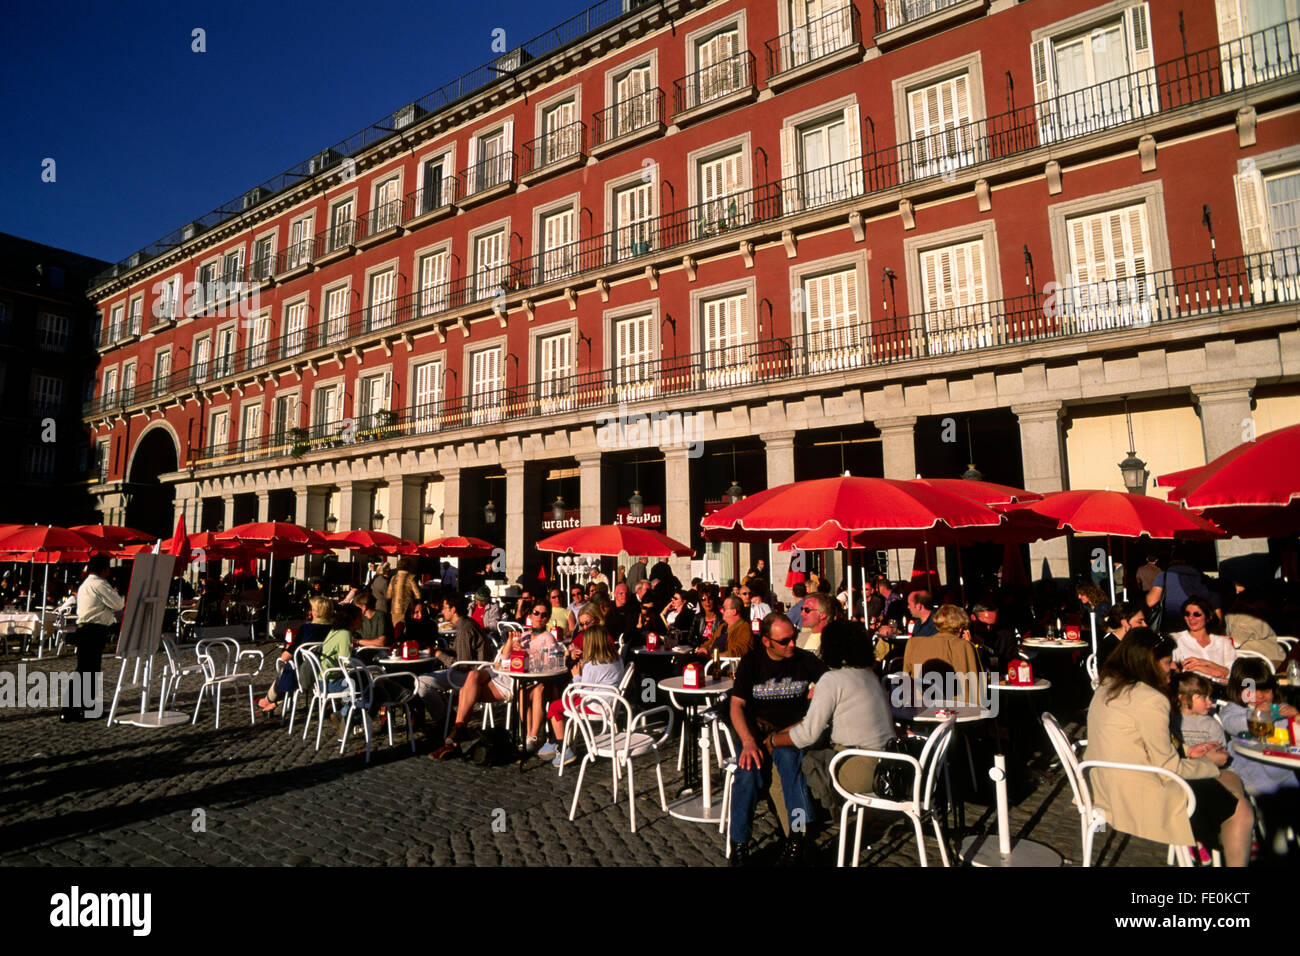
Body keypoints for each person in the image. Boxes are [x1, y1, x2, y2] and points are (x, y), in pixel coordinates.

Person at [1085, 628, 1253, 866]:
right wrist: (1208, 762)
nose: (1174, 667)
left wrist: (1188, 752)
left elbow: (1134, 741)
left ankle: (1210, 834)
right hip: (1143, 792)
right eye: (1167, 662)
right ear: (1148, 664)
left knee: (1231, 786)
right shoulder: (1151, 699)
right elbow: (1168, 766)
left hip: (1107, 785)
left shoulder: (1108, 686)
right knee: (1240, 808)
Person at [727, 614, 828, 865]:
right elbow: (736, 705)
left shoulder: (805, 660)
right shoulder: (752, 662)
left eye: (793, 638)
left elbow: (832, 684)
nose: (792, 644)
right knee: (747, 772)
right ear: (767, 642)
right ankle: (739, 845)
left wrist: (819, 695)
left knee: (790, 763)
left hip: (789, 732)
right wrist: (749, 742)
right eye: (784, 641)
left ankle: (797, 838)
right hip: (756, 732)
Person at [769, 620, 895, 817]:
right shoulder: (868, 675)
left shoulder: (833, 680)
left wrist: (771, 741)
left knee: (783, 766)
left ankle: (796, 835)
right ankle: (812, 819)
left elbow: (807, 735)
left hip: (857, 769)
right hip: (887, 763)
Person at [422, 594, 499, 758]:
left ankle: (446, 721)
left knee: (422, 682)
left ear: (453, 609)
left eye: (444, 608)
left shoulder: (464, 628)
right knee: (424, 680)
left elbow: (463, 664)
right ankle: (448, 720)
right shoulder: (465, 625)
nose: (442, 611)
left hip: (469, 675)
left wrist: (439, 655)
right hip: (471, 671)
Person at [540, 624, 625, 768]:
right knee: (564, 702)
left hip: (595, 704)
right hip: (611, 703)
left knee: (555, 707)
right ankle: (555, 740)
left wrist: (577, 676)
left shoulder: (593, 664)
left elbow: (580, 691)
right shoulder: (616, 658)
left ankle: (562, 747)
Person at [1219, 659, 1300, 798]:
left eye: (1266, 690)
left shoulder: (1280, 708)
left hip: (1285, 773)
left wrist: (1296, 716)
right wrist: (1259, 714)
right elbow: (1232, 725)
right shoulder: (1233, 710)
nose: (1260, 696)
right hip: (1251, 774)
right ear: (1238, 690)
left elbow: (1295, 735)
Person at [62, 554, 124, 722]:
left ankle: (85, 707)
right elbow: (118, 604)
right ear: (105, 570)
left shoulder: (87, 584)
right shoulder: (99, 584)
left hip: (87, 629)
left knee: (88, 669)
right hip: (93, 630)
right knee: (86, 670)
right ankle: (71, 710)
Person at [901, 604, 983, 704]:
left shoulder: (913, 643)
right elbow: (973, 687)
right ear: (961, 628)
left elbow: (906, 680)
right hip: (953, 710)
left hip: (918, 706)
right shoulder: (963, 646)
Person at [1146, 549, 1219, 628]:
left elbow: (1151, 601)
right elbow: (1213, 600)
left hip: (1170, 622)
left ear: (1172, 560)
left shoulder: (1163, 576)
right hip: (1195, 623)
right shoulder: (1201, 577)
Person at [1169, 597, 1236, 682]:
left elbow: (1234, 674)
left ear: (1208, 617)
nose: (1191, 618)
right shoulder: (1175, 639)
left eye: (1197, 614)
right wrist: (1201, 669)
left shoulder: (1224, 642)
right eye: (1187, 614)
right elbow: (1173, 670)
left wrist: (1207, 664)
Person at [1224, 590, 1288, 666]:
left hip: (1269, 661)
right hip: (1253, 661)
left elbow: (1235, 642)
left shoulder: (1245, 615)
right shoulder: (1232, 613)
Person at [1096, 602, 1146, 668]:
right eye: (1140, 622)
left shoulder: (1131, 642)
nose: (1145, 625)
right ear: (1125, 623)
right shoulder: (1109, 646)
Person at [387, 557, 421, 641]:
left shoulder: (393, 578)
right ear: (408, 566)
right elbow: (418, 595)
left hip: (394, 610)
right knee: (407, 633)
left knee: (397, 632)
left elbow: (388, 595)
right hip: (407, 609)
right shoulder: (411, 577)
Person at [795, 592, 835, 657]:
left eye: (807, 610)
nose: (801, 614)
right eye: (802, 609)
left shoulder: (833, 641)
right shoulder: (799, 638)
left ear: (822, 614)